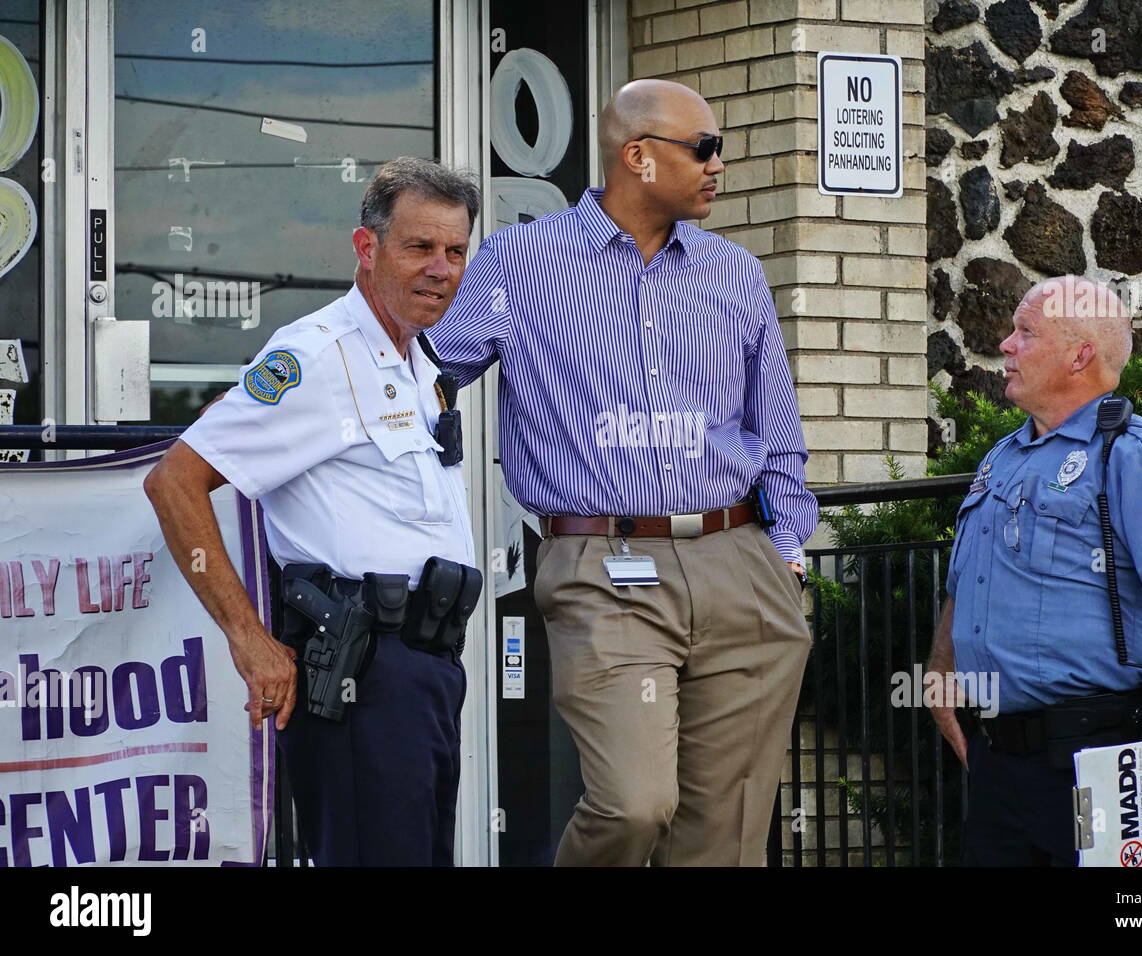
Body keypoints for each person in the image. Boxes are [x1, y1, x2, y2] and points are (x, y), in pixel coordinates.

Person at [428, 79, 816, 866]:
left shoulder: (735, 273)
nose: (719, 165)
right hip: (602, 567)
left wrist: (787, 553)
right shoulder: (520, 261)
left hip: (740, 561)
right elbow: (426, 374)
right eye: (702, 148)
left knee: (725, 835)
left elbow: (776, 433)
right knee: (634, 804)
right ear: (637, 156)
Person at [144, 158, 482, 866]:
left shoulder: (420, 363)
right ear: (368, 249)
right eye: (419, 247)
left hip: (428, 667)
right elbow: (176, 481)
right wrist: (249, 638)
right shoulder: (316, 355)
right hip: (363, 669)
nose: (441, 269)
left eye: (456, 251)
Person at [926, 275, 1142, 866]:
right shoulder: (1004, 457)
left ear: (1079, 355)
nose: (1006, 345)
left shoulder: (1138, 454)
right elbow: (970, 580)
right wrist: (942, 679)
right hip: (1000, 760)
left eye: (1025, 333)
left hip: (1098, 751)